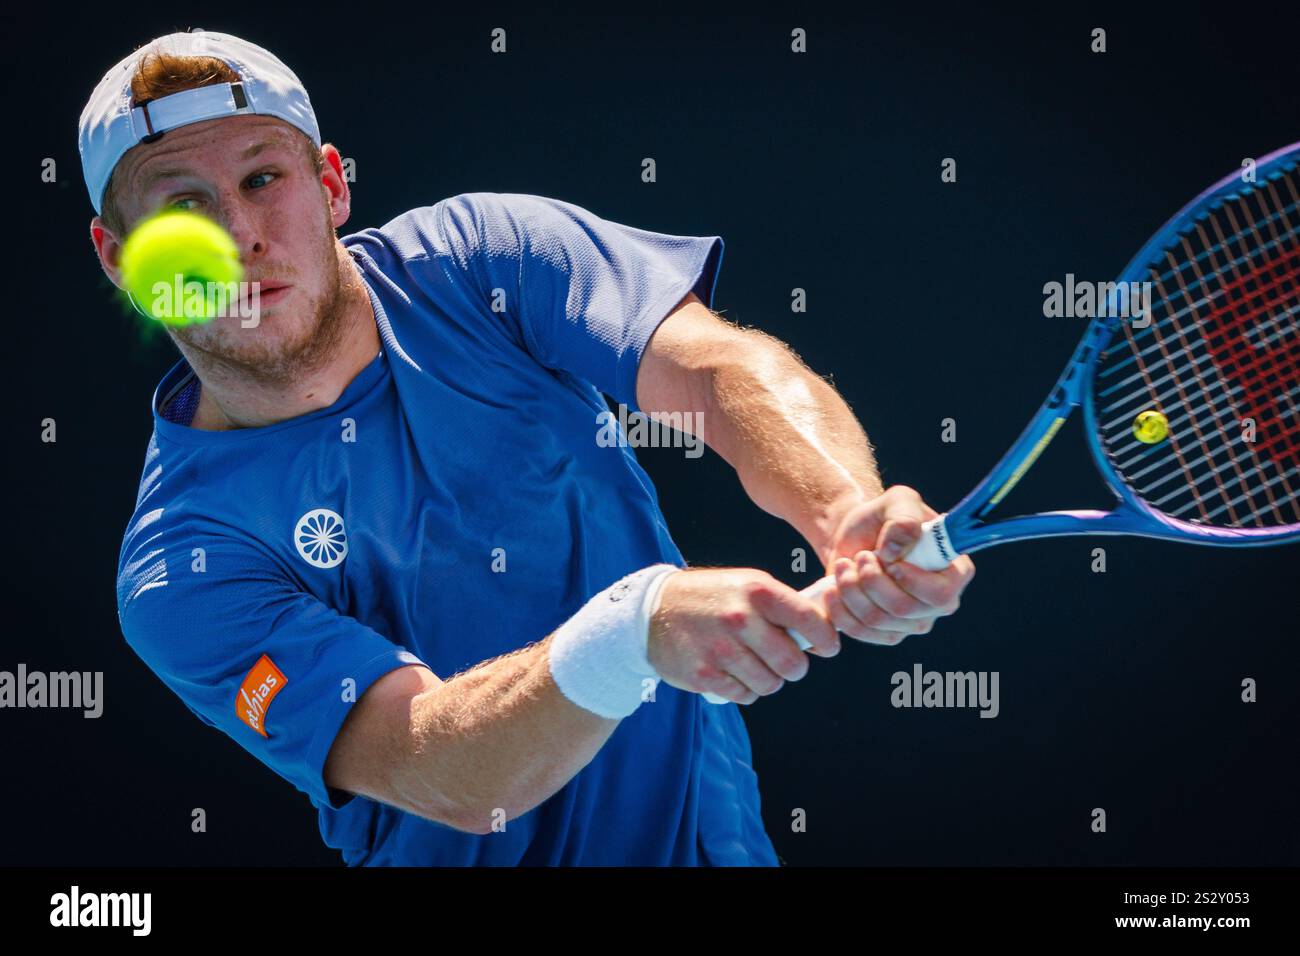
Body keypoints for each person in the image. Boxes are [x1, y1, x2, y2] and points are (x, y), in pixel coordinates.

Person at [86, 30, 975, 865]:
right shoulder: (183, 570)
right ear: (120, 259)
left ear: (329, 186)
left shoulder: (486, 258)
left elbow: (712, 370)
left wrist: (844, 510)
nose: (240, 235)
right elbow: (438, 764)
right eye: (183, 205)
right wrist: (638, 630)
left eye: (262, 179)